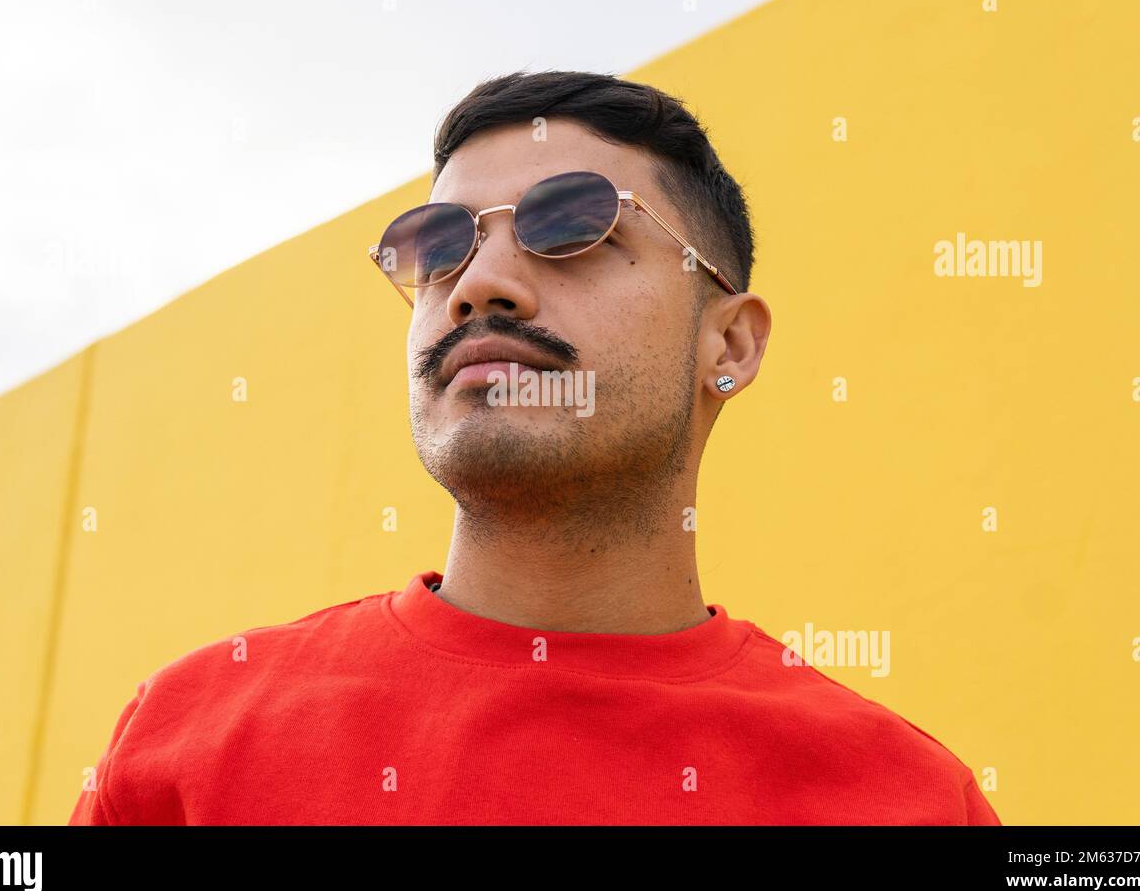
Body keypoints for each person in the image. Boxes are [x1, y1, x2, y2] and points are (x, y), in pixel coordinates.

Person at [69, 69, 1000, 825]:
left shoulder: (906, 800)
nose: (479, 284)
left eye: (572, 224)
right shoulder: (188, 742)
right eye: (438, 245)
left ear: (729, 345)